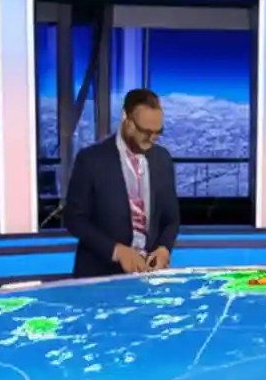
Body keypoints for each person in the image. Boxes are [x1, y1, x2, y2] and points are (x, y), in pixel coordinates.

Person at [63, 88, 180, 278]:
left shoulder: (163, 159)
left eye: (158, 132)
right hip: (99, 275)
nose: (152, 139)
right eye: (145, 131)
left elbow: (171, 219)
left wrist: (163, 249)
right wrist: (117, 251)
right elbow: (75, 220)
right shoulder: (91, 160)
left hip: (148, 276)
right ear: (126, 118)